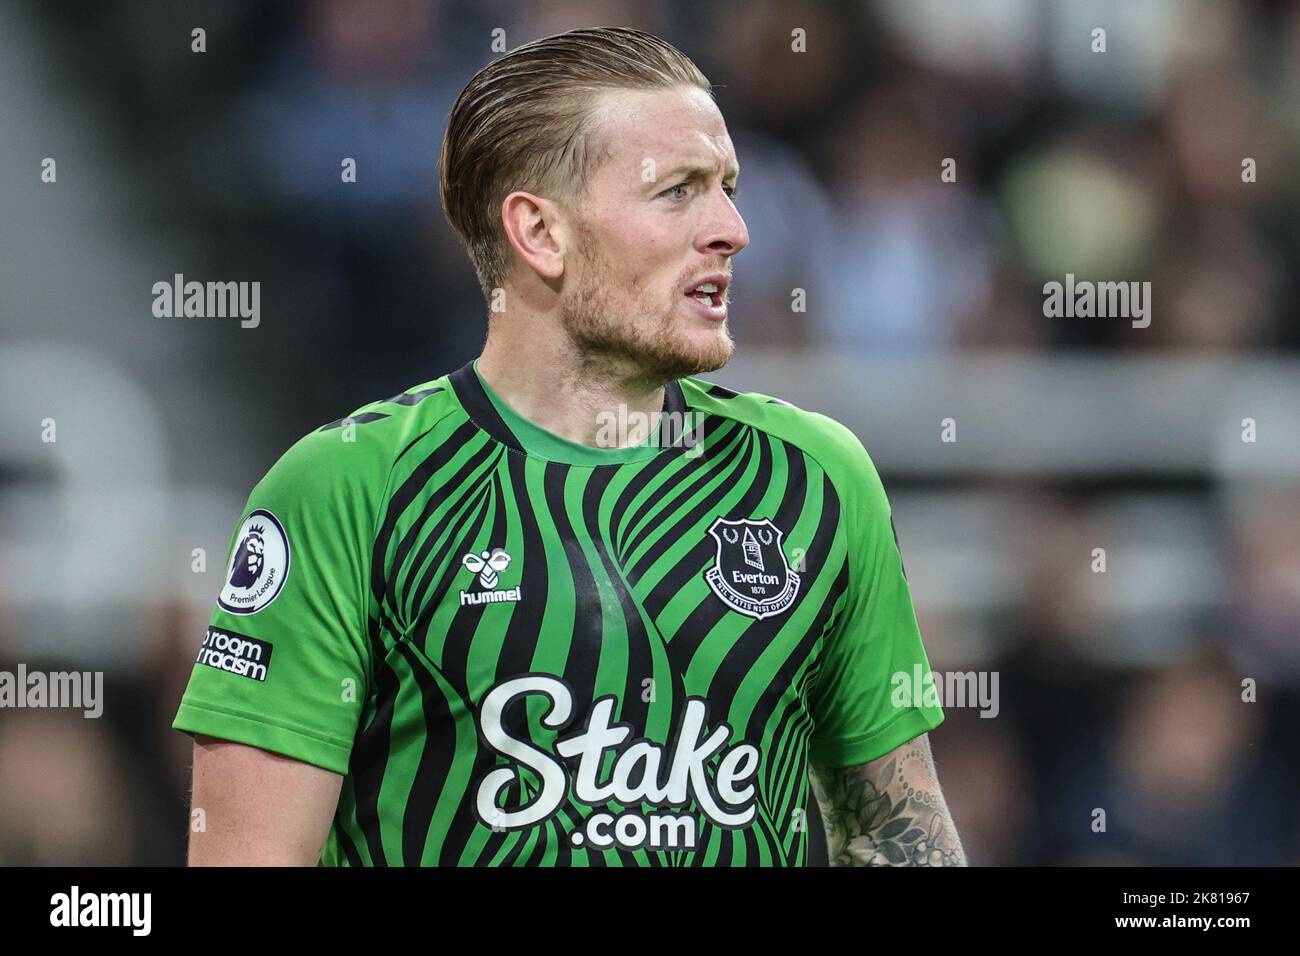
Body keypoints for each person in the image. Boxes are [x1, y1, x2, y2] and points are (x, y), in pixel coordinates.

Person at [173, 26, 964, 867]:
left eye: (727, 188)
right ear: (539, 232)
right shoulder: (347, 488)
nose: (733, 228)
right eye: (678, 192)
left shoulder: (815, 479)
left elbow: (897, 837)